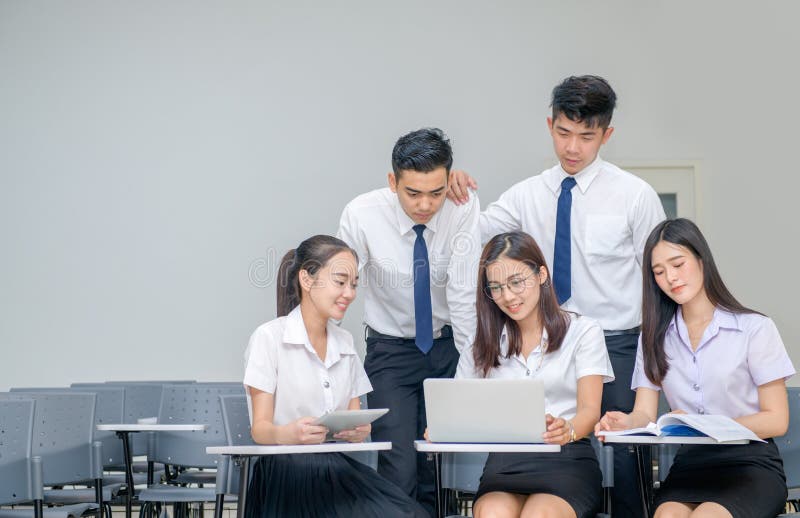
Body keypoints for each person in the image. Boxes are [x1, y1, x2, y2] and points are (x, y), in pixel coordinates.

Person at [448, 75, 666, 518]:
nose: (572, 148)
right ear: (550, 125)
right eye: (564, 133)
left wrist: (656, 351)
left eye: (586, 137)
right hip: (547, 339)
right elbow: (475, 240)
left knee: (626, 467)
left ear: (606, 134)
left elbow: (658, 278)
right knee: (553, 443)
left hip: (618, 341)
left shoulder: (634, 196)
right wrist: (456, 194)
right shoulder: (527, 194)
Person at [596, 218, 795, 518]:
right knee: (667, 515)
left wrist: (706, 426)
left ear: (701, 260)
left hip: (750, 464)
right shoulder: (653, 338)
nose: (671, 278)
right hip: (692, 463)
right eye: (659, 272)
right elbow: (645, 414)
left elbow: (777, 420)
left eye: (678, 264)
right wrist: (624, 423)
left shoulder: (754, 328)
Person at [337, 127, 481, 515]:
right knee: (398, 469)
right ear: (392, 182)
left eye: (436, 192)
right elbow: (340, 289)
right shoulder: (361, 214)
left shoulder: (463, 206)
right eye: (412, 193)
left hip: (447, 345)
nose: (425, 205)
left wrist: (469, 375)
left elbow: (465, 294)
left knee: (436, 464)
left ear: (448, 178)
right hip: (390, 351)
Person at [242, 234, 427, 518]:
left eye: (353, 284)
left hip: (334, 466)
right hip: (285, 472)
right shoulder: (269, 337)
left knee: (410, 514)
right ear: (306, 280)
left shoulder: (345, 342)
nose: (350, 293)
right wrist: (287, 434)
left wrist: (359, 432)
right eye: (340, 282)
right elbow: (260, 430)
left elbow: (354, 419)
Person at [455, 231, 614, 518]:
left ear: (541, 274)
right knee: (492, 512)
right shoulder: (479, 344)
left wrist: (569, 429)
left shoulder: (583, 332)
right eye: (496, 287)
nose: (508, 296)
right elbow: (462, 413)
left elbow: (590, 411)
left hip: (566, 459)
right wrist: (446, 430)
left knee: (538, 515)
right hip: (504, 464)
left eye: (516, 283)